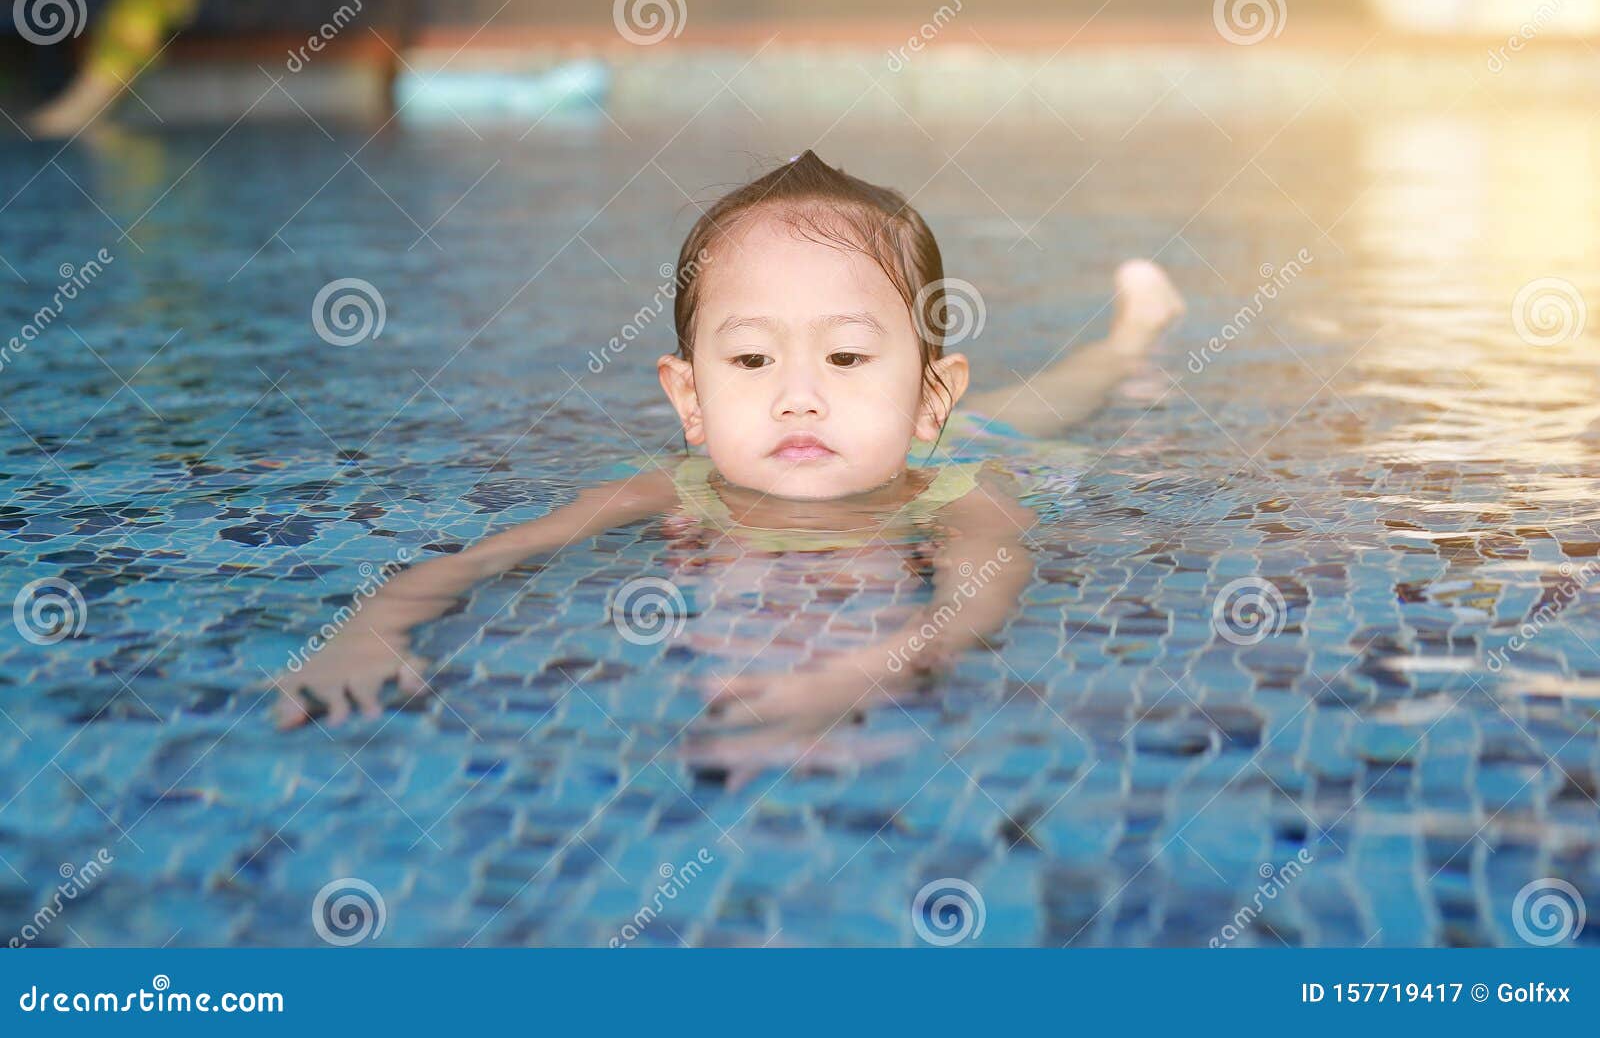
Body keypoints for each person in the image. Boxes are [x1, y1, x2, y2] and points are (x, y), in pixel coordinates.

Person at [272, 150, 1184, 768]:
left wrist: (875, 667)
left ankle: (1131, 338)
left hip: (987, 441)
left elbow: (981, 594)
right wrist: (373, 626)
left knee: (1059, 401)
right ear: (690, 399)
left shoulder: (959, 492)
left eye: (848, 358)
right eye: (751, 360)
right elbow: (486, 557)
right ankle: (1126, 334)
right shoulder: (677, 488)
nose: (800, 395)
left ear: (925, 399)